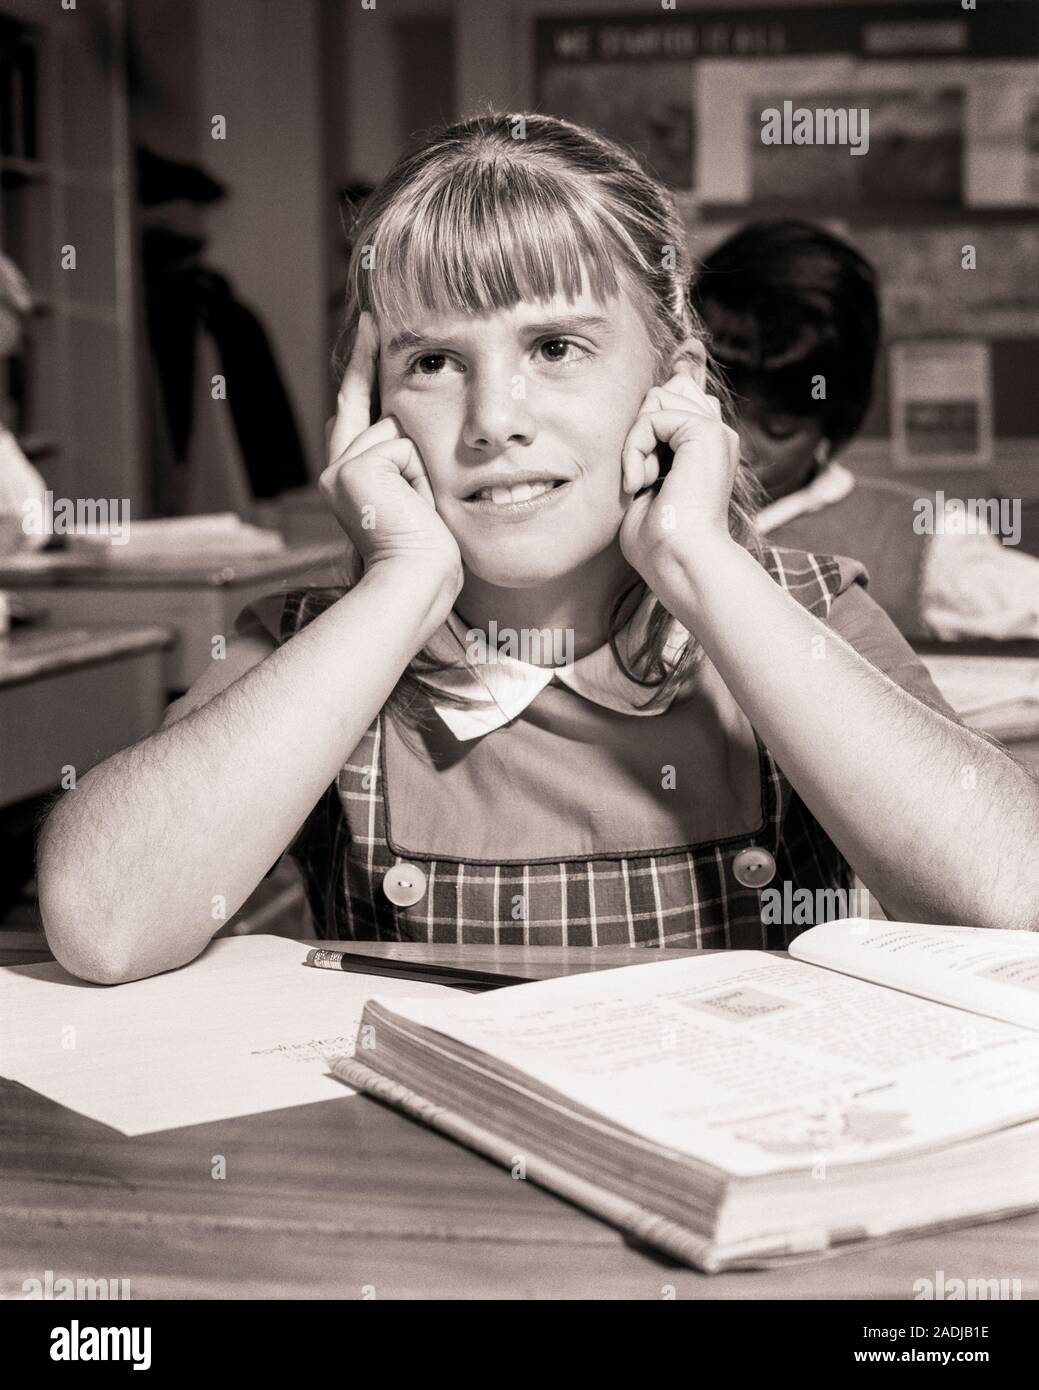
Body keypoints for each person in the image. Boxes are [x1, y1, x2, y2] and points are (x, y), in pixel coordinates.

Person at [37, 114, 1039, 985]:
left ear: (674, 381)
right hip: (443, 1202)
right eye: (433, 362)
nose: (493, 419)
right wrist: (402, 587)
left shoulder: (809, 613)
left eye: (555, 348)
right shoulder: (314, 648)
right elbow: (103, 924)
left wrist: (697, 562)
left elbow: (1017, 901)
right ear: (370, 408)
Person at [691, 219, 1039, 641]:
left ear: (833, 423)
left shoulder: (926, 543)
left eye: (778, 426)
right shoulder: (627, 506)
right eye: (719, 405)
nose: (736, 442)